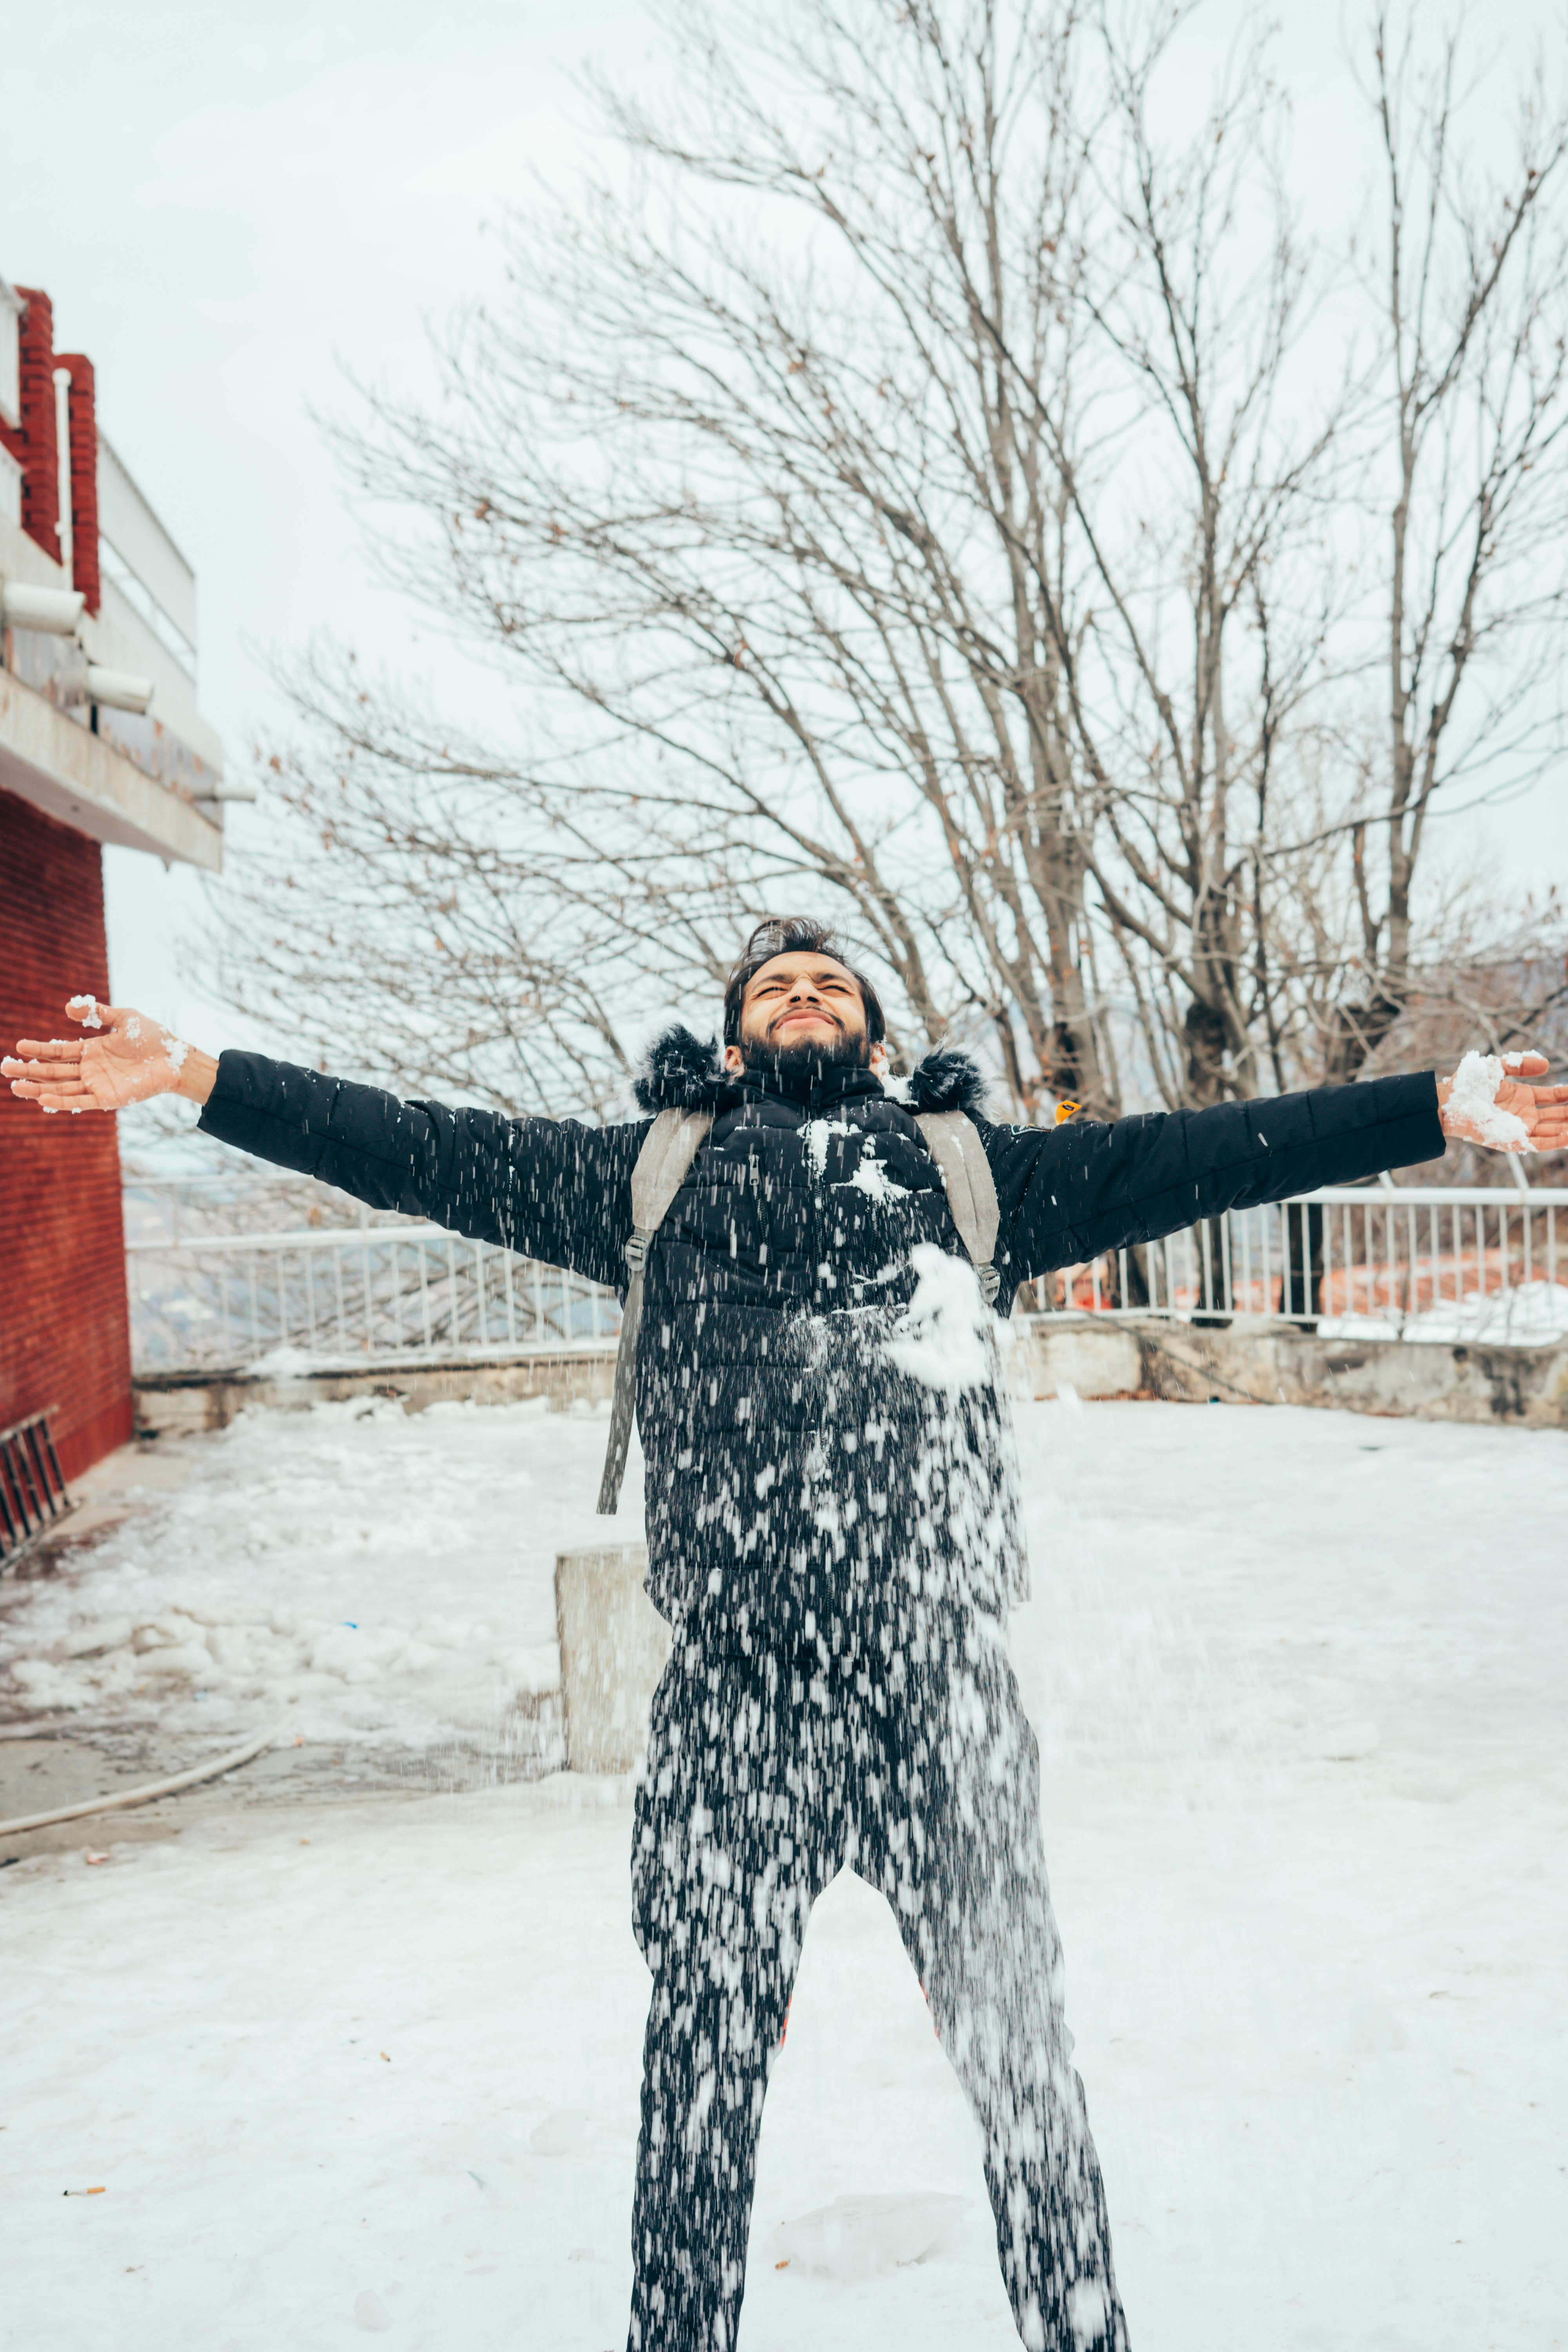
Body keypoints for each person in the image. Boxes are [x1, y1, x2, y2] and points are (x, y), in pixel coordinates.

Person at [8, 922, 1567, 2352]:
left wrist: (1435, 1105)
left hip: (940, 1689)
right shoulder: (649, 1179)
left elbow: (1209, 1152)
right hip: (732, 1703)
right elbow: (416, 1148)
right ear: (736, 1045)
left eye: (830, 986)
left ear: (878, 1043)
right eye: (773, 992)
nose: (802, 999)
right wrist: (198, 1077)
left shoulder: (976, 1177)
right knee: (698, 2073)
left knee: (1025, 2066)